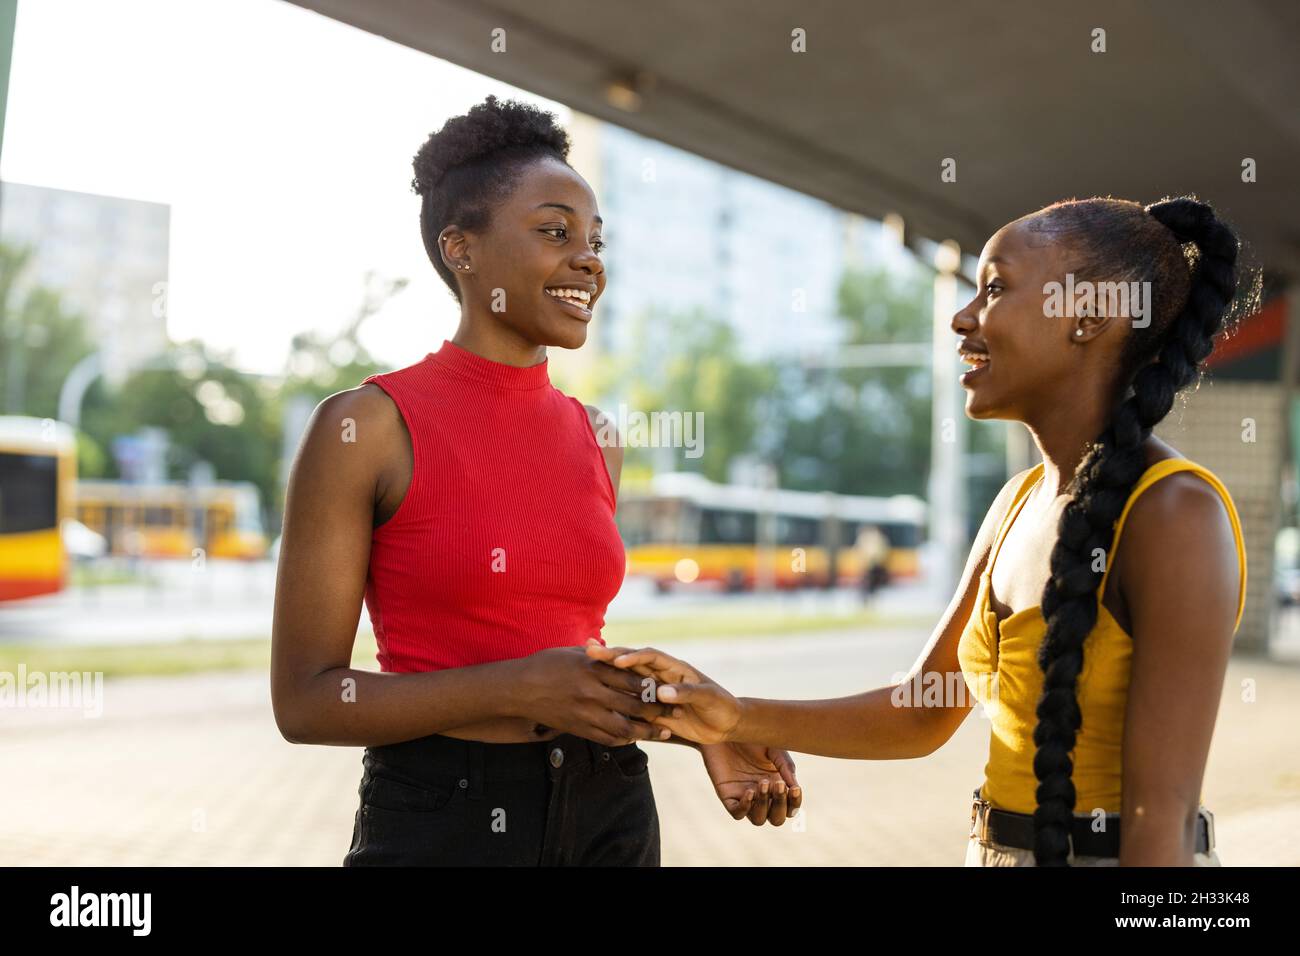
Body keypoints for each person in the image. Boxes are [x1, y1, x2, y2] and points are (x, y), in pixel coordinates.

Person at [590, 195, 1247, 867]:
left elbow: (1158, 824)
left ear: (1088, 317)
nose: (962, 318)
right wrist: (732, 716)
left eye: (994, 288)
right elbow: (920, 712)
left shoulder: (1174, 514)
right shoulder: (1018, 501)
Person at [270, 96, 799, 866]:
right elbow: (307, 700)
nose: (589, 260)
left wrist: (702, 727)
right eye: (555, 233)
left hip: (608, 796)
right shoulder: (366, 426)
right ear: (461, 249)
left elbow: (564, 657)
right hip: (441, 816)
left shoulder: (599, 437)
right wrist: (515, 688)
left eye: (595, 241)